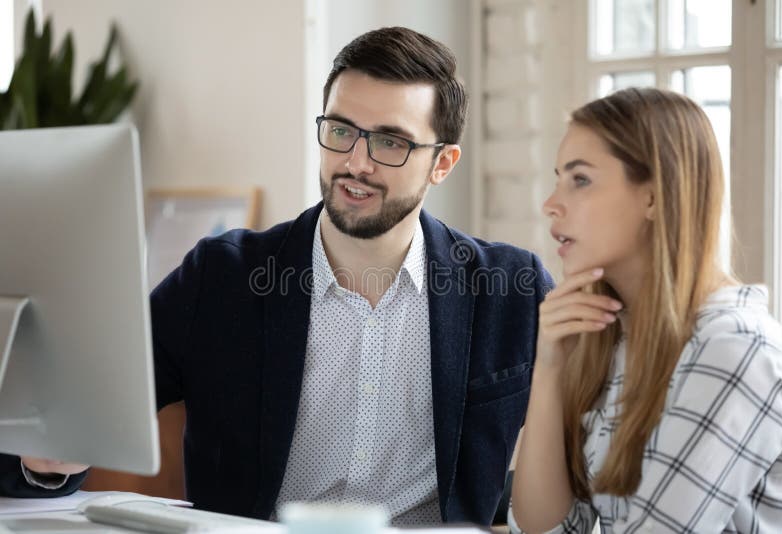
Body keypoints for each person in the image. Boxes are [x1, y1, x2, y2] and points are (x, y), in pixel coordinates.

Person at [0, 27, 553, 527]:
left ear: (443, 162)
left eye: (390, 142)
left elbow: (595, 446)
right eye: (341, 130)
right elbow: (86, 408)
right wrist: (44, 457)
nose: (356, 162)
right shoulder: (221, 277)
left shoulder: (509, 288)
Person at [510, 87, 782, 533]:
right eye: (557, 178)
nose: (551, 203)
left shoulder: (735, 346)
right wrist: (548, 368)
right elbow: (547, 529)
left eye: (580, 179)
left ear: (653, 196)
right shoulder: (611, 333)